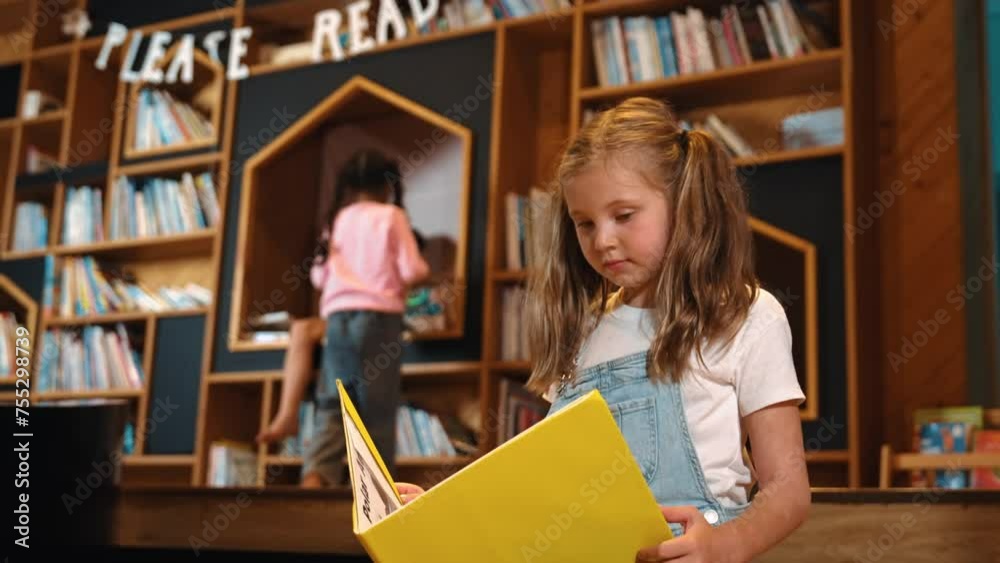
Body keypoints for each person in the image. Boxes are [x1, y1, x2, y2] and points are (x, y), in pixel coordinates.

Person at [397, 97, 810, 561]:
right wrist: (446, 512)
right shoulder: (583, 330)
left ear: (685, 205)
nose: (603, 240)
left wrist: (724, 546)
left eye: (624, 215)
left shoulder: (747, 315)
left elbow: (788, 490)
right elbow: (545, 493)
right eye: (585, 223)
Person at [261, 149, 430, 488]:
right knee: (376, 407)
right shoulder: (391, 216)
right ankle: (376, 495)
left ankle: (314, 480)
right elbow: (413, 269)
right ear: (388, 186)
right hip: (379, 321)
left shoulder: (338, 220)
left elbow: (318, 277)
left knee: (334, 403)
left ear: (349, 187)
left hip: (338, 322)